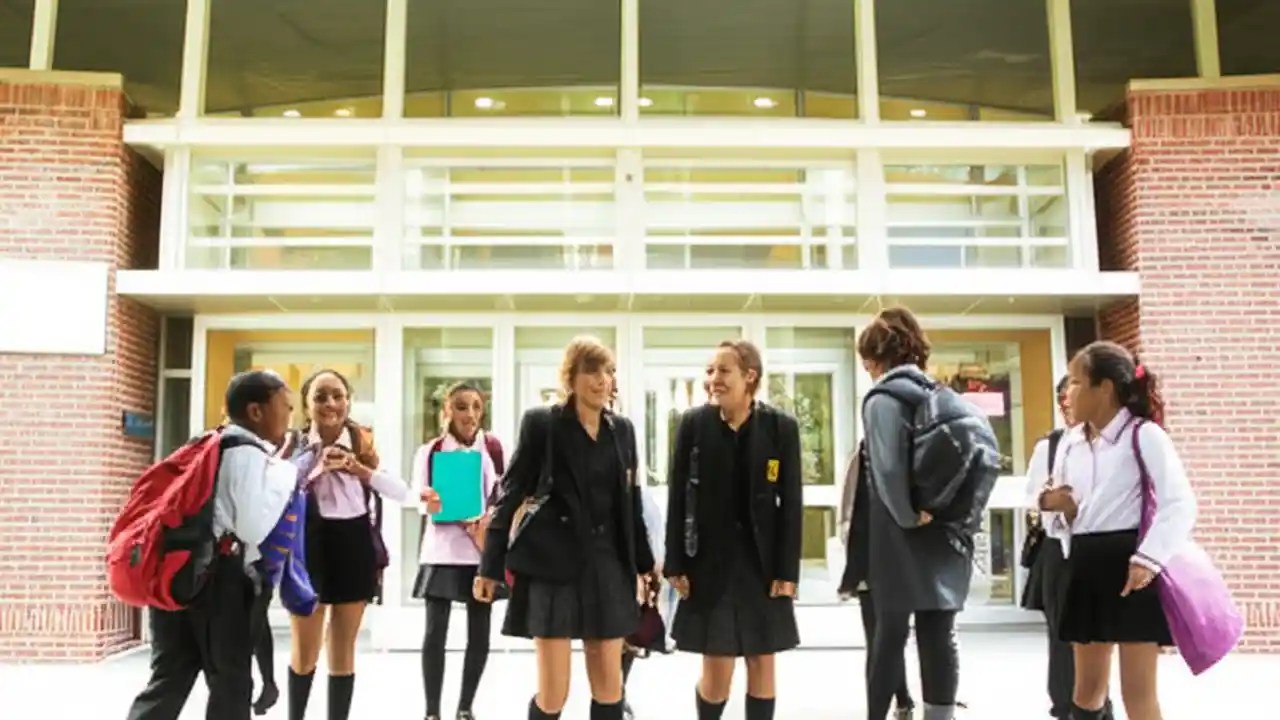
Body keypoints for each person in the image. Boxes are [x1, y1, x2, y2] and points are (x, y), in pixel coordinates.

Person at [474, 336, 655, 720]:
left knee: (610, 687)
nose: (602, 380)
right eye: (592, 371)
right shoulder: (543, 424)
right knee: (554, 692)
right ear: (570, 377)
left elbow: (630, 503)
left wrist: (645, 565)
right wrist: (490, 566)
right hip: (552, 568)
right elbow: (511, 493)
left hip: (607, 566)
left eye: (609, 371)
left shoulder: (622, 431)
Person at [125, 370, 298, 720]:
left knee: (168, 679)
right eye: (285, 405)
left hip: (180, 572)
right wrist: (286, 472)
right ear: (256, 411)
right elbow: (251, 528)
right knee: (231, 685)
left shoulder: (206, 443)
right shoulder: (247, 452)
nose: (290, 414)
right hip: (220, 583)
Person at [1039, 342, 1194, 720]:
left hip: (1131, 568)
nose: (1067, 392)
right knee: (1086, 692)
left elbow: (1180, 503)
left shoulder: (1144, 435)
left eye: (1076, 382)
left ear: (1105, 388)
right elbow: (1062, 515)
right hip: (1084, 563)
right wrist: (1056, 506)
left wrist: (1148, 561)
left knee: (1137, 695)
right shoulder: (1070, 443)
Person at [664, 339, 803, 720]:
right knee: (717, 671)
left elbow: (791, 505)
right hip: (710, 564)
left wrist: (787, 573)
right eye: (710, 371)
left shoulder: (781, 428)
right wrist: (675, 563)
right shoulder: (693, 425)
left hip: (763, 566)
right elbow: (678, 497)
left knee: (762, 661)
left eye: (723, 371)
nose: (713, 379)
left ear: (750, 376)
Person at [856, 307, 966, 720]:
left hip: (900, 532)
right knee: (939, 631)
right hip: (944, 529)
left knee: (889, 634)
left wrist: (905, 515)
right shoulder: (938, 393)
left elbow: (887, 470)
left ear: (873, 359)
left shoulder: (883, 399)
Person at [287, 369, 415, 720]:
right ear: (307, 405)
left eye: (338, 396)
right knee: (305, 651)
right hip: (310, 544)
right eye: (320, 397)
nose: (330, 404)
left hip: (354, 543)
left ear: (349, 401)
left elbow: (400, 491)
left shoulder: (362, 441)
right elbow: (278, 491)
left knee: (343, 649)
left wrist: (358, 469)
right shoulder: (295, 444)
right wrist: (314, 469)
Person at [411, 381, 504, 720]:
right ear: (447, 411)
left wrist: (488, 518)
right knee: (435, 633)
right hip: (441, 552)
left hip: (479, 551)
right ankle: (432, 711)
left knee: (479, 634)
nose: (470, 414)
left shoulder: (492, 448)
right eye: (462, 406)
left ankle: (465, 707)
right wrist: (430, 501)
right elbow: (418, 497)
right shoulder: (430, 451)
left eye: (476, 407)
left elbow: (502, 494)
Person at [1022, 377, 1113, 720]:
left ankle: (1099, 707)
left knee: (1097, 640)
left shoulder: (1111, 444)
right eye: (1062, 399)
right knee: (1063, 639)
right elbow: (1032, 497)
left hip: (1098, 551)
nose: (1067, 406)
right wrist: (1051, 500)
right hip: (1058, 554)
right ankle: (1065, 708)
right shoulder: (1050, 446)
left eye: (1073, 397)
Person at [838, 439, 915, 720]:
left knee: (886, 638)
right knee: (881, 639)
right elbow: (850, 510)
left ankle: (901, 702)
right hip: (869, 561)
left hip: (896, 561)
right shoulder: (863, 454)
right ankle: (900, 701)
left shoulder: (904, 451)